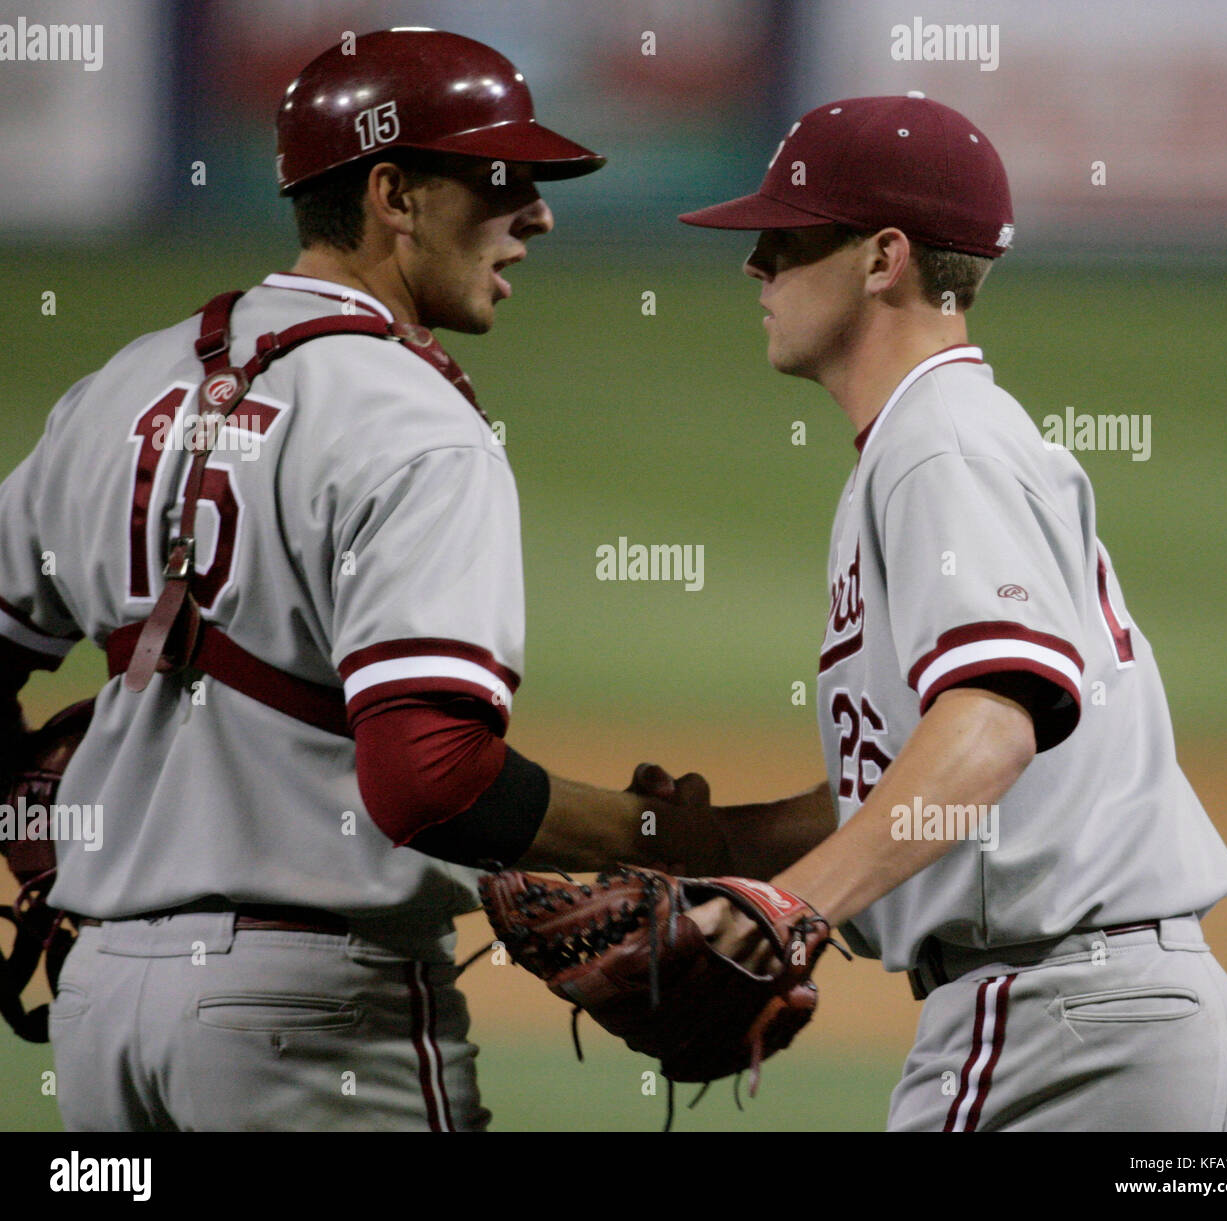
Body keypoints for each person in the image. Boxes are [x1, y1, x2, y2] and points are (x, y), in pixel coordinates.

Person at [0, 27, 722, 1132]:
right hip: (307, 1020)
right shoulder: (416, 423)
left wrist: (35, 808)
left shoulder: (113, 389)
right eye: (500, 181)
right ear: (394, 193)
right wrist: (663, 838)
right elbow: (431, 780)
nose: (537, 215)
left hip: (102, 1012)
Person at [672, 94, 1227, 1131]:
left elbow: (989, 729)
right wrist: (729, 844)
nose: (753, 265)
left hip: (1061, 1020)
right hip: (1096, 1015)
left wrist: (793, 909)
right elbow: (935, 770)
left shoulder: (940, 444)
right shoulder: (929, 440)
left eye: (783, 237)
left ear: (881, 257)